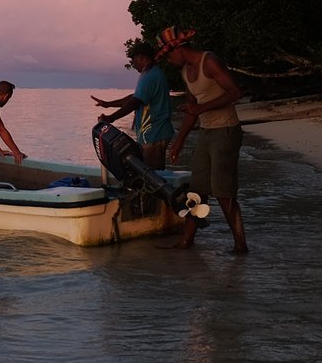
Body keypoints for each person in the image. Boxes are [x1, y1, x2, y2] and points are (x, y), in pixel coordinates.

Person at [159, 27, 248, 253]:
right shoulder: (184, 72)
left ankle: (240, 246)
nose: (169, 61)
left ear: (179, 48)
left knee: (223, 191)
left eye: (168, 55)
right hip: (207, 132)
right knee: (197, 191)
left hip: (226, 130)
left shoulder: (209, 61)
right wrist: (179, 140)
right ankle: (186, 241)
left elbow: (235, 92)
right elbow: (192, 110)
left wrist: (201, 108)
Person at [91, 40, 175, 169]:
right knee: (147, 171)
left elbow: (135, 103)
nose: (133, 63)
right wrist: (108, 104)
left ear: (141, 57)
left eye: (134, 59)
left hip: (154, 134)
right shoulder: (148, 74)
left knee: (151, 174)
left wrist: (111, 118)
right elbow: (135, 97)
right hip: (151, 135)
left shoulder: (150, 76)